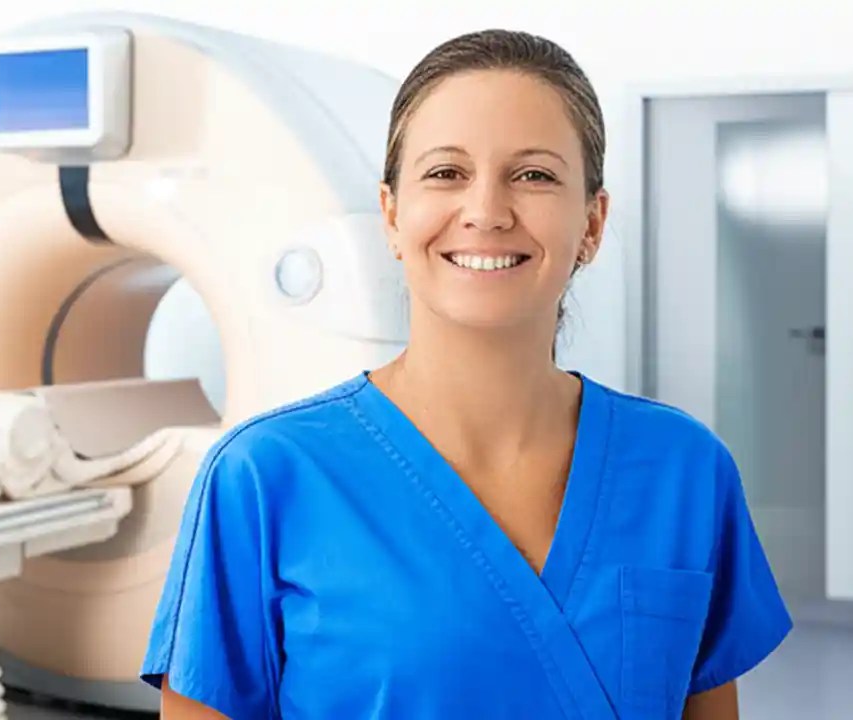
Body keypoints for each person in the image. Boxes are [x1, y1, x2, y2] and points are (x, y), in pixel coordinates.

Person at [139, 28, 792, 720]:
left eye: (534, 175)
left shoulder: (684, 470)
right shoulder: (263, 477)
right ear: (391, 215)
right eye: (446, 173)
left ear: (593, 224)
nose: (485, 211)